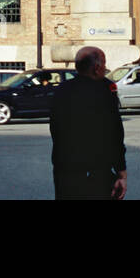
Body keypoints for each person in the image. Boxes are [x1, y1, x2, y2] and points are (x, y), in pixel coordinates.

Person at [49, 46, 126, 200]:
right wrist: (121, 172)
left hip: (65, 170)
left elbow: (55, 129)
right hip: (96, 172)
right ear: (97, 68)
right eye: (104, 64)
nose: (105, 68)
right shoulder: (104, 90)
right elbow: (114, 134)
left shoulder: (61, 90)